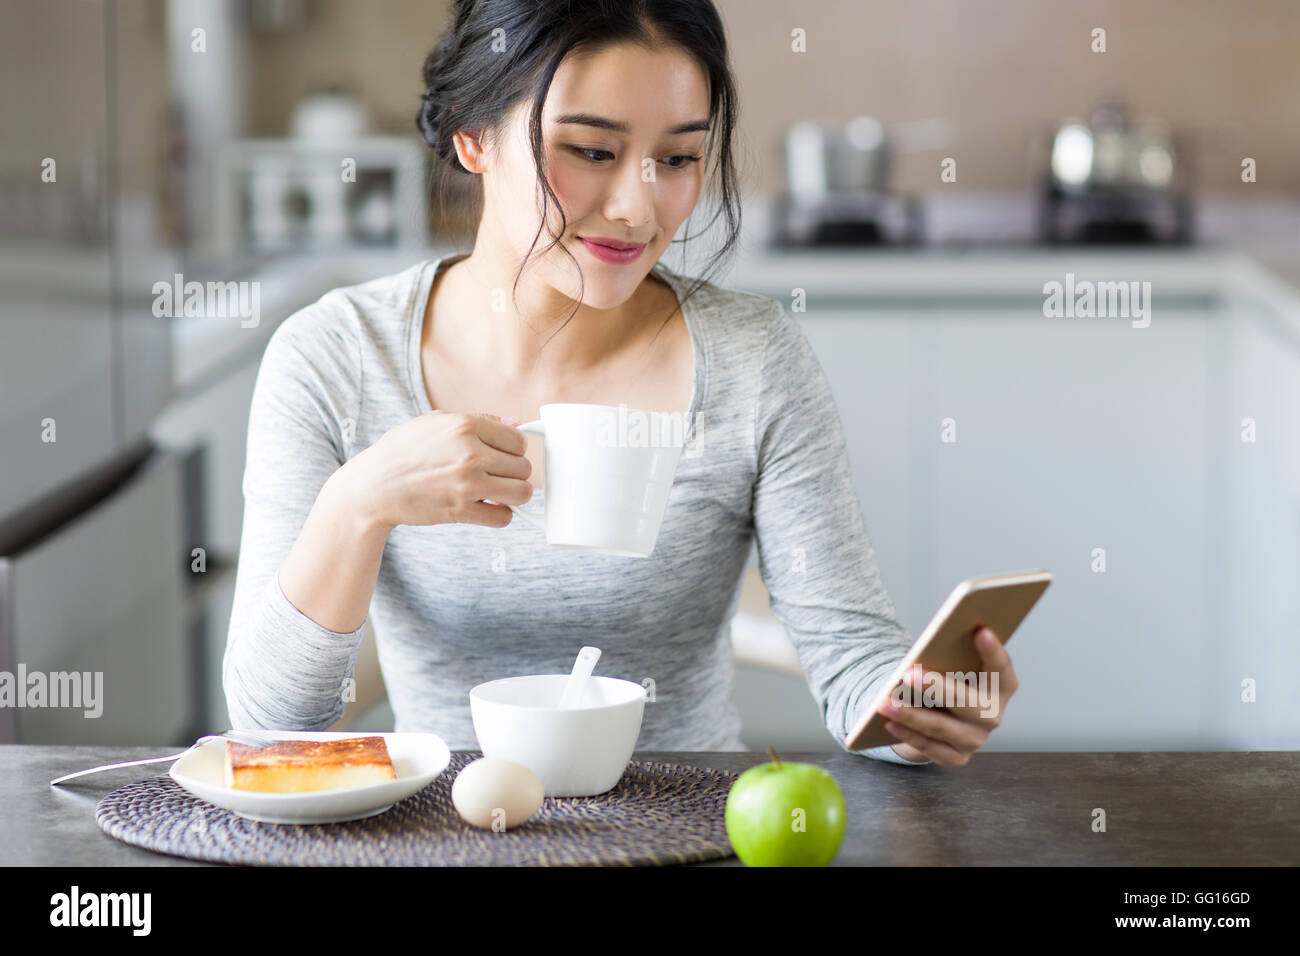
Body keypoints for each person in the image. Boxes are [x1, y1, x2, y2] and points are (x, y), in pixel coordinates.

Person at [224, 0, 1019, 767]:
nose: (638, 207)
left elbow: (856, 671)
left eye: (676, 158)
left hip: (692, 833)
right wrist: (358, 504)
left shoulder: (755, 359)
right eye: (592, 151)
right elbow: (269, 726)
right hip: (443, 832)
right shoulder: (335, 357)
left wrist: (921, 710)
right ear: (475, 136)